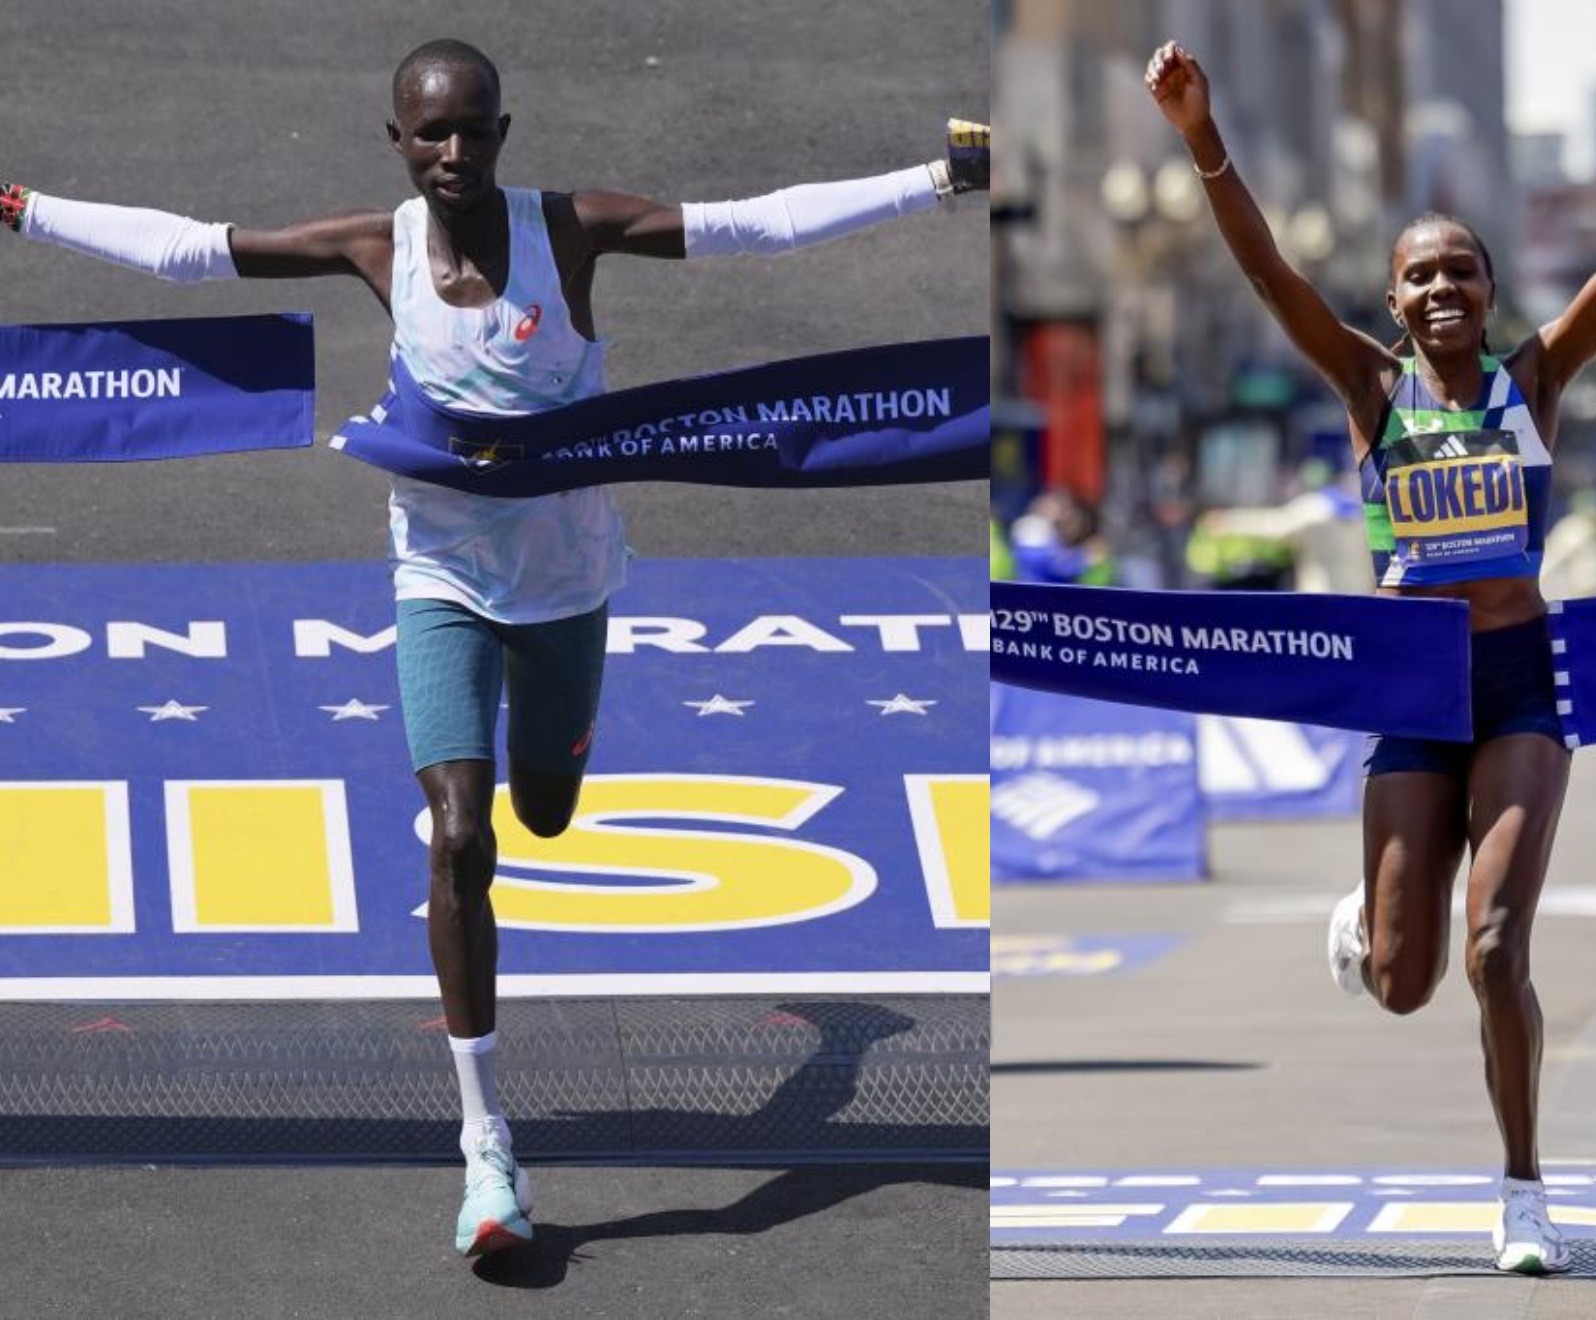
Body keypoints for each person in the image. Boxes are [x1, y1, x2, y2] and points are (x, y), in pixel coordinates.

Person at [2, 37, 984, 1258]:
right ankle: (487, 1145)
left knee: (549, 812)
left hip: (566, 585)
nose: (454, 152)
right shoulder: (379, 247)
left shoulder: (568, 233)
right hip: (442, 580)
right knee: (461, 837)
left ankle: (554, 763)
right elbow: (193, 249)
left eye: (474, 129)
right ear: (398, 142)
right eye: (431, 133)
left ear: (504, 134)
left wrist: (936, 181)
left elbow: (758, 226)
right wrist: (24, 206)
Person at [1147, 33, 1596, 1274]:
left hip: (1522, 689)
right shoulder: (1373, 393)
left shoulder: (1535, 381)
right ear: (1394, 303)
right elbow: (1265, 272)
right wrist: (1201, 136)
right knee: (1407, 978)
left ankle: (1524, 1193)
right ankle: (1371, 919)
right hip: (1413, 695)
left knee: (1495, 950)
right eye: (1418, 276)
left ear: (1489, 289)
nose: (1440, 289)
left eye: (1460, 271)